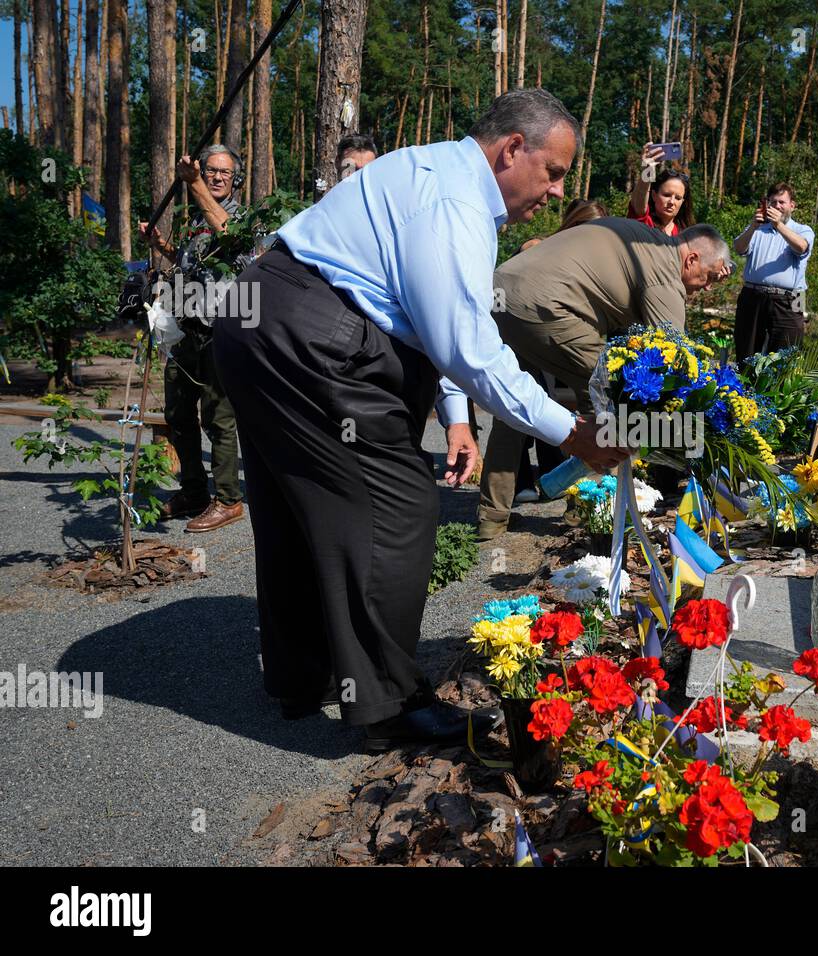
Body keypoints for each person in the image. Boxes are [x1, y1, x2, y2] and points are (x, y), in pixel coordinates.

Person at [211, 89, 627, 751]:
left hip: (264, 319)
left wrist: (456, 421)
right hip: (316, 338)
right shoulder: (454, 201)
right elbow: (464, 343)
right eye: (553, 172)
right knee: (398, 509)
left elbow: (428, 321)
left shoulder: (434, 172)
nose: (553, 192)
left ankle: (301, 681)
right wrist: (569, 431)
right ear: (512, 149)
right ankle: (386, 706)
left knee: (299, 507)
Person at [477, 219, 733, 541]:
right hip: (548, 307)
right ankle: (593, 514)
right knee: (610, 394)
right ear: (692, 259)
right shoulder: (665, 270)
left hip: (502, 294)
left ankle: (492, 517)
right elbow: (675, 358)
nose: (707, 287)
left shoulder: (644, 243)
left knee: (515, 400)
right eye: (708, 278)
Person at [139, 144, 248, 533]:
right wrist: (160, 245)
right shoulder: (194, 223)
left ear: (236, 180)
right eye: (210, 171)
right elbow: (189, 264)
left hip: (221, 333)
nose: (216, 177)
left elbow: (230, 237)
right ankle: (194, 490)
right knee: (178, 416)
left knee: (218, 419)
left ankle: (228, 499)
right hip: (186, 330)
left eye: (223, 172)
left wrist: (195, 181)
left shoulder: (242, 219)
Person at [513, 198, 607, 500]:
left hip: (567, 344)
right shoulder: (538, 246)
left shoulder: (597, 264)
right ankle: (520, 479)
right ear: (571, 226)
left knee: (565, 407)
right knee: (525, 407)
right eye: (584, 230)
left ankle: (558, 476)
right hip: (528, 340)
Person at [731, 181, 815, 363]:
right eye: (773, 202)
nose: (777, 206)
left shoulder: (803, 230)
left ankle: (778, 390)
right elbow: (738, 247)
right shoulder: (758, 228)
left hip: (792, 299)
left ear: (792, 205)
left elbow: (801, 247)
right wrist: (753, 226)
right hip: (753, 295)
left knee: (786, 351)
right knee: (747, 351)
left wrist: (778, 225)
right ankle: (745, 390)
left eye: (782, 202)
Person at [628, 142, 695, 236]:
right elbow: (639, 204)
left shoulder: (686, 235)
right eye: (667, 195)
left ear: (683, 202)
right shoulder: (645, 223)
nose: (672, 202)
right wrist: (647, 169)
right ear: (654, 195)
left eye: (678, 198)